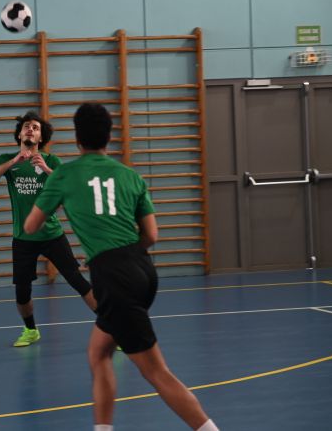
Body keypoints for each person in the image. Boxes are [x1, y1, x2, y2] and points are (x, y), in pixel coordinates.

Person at [24, 103, 218, 431]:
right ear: (109, 137)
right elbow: (151, 235)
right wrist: (119, 254)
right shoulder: (130, 175)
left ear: (77, 139)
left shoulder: (64, 175)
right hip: (143, 270)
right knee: (98, 351)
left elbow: (31, 227)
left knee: (155, 371)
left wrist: (102, 250)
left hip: (115, 279)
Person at [0, 110, 97, 347]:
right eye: (27, 126)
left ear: (41, 137)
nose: (31, 130)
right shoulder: (8, 159)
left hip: (51, 234)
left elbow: (71, 186)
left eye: (36, 128)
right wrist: (14, 161)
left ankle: (115, 328)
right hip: (23, 237)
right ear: (19, 134)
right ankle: (30, 330)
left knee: (78, 281)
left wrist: (46, 168)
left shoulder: (52, 161)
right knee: (22, 292)